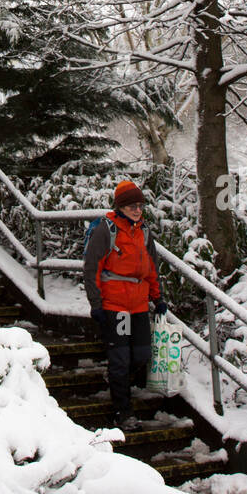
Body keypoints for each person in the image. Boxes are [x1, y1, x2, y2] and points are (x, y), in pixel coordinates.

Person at [83, 179, 167, 428]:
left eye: (140, 205)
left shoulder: (144, 231)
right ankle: (123, 411)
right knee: (120, 357)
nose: (137, 210)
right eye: (131, 205)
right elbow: (92, 268)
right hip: (115, 305)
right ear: (120, 206)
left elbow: (152, 267)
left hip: (139, 305)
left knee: (141, 354)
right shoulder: (106, 230)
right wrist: (96, 303)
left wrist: (157, 297)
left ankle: (117, 381)